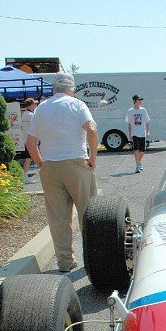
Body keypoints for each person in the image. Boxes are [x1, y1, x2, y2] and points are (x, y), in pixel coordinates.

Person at [26, 71, 97, 273]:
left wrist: (41, 165)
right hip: (76, 162)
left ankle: (65, 262)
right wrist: (92, 158)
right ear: (72, 90)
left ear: (54, 88)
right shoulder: (77, 105)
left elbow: (30, 142)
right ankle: (93, 260)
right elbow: (91, 130)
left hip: (50, 165)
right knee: (88, 214)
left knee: (59, 217)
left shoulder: (41, 109)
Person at [127, 95, 150, 173]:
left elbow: (147, 121)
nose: (140, 101)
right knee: (136, 149)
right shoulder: (130, 111)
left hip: (142, 132)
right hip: (135, 133)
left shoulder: (143, 110)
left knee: (142, 151)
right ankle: (137, 165)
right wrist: (130, 135)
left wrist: (147, 131)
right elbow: (129, 124)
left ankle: (139, 161)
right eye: (139, 100)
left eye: (140, 100)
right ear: (135, 101)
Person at [20, 98, 38, 182]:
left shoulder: (25, 114)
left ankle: (25, 176)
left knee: (29, 158)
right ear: (31, 105)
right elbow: (35, 127)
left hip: (25, 139)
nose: (35, 106)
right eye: (34, 104)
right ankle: (25, 176)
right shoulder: (30, 115)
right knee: (28, 158)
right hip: (30, 140)